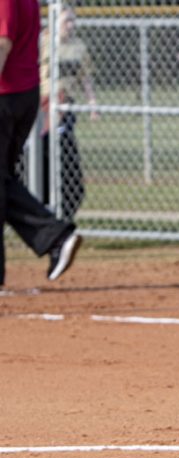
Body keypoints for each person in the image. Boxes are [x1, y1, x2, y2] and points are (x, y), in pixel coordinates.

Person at [0, 0, 82, 288]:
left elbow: (3, 43)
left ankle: (56, 237)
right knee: (3, 182)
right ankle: (56, 239)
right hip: (22, 94)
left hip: (6, 95)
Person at [39, 4, 97, 220]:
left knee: (66, 158)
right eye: (66, 21)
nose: (71, 25)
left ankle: (63, 213)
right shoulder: (43, 42)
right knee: (45, 158)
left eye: (73, 20)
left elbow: (86, 78)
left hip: (66, 107)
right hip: (43, 108)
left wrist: (92, 103)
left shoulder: (78, 47)